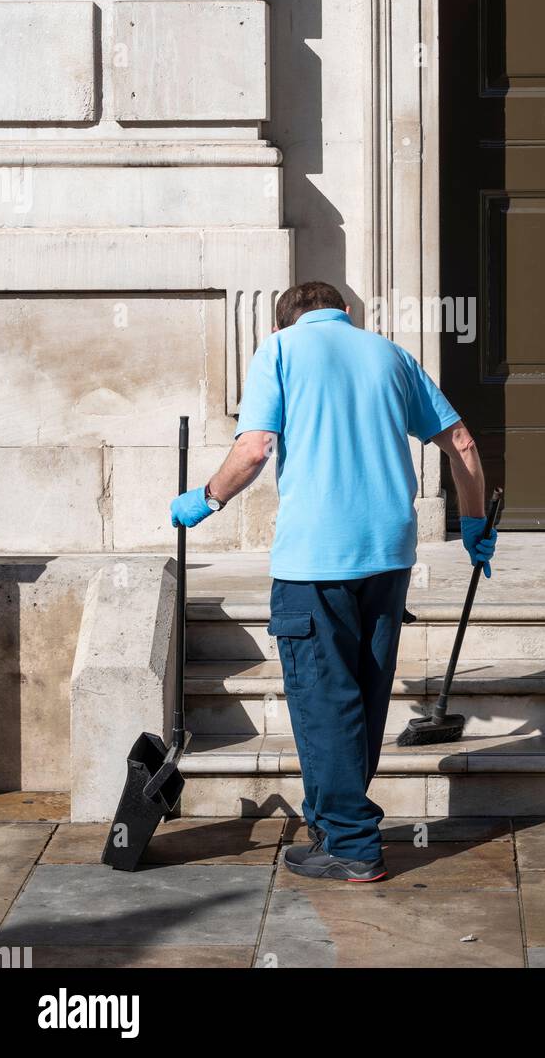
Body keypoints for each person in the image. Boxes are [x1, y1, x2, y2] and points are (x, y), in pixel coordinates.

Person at [171, 281, 498, 882]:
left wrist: (206, 498)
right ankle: (332, 826)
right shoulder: (392, 355)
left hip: (314, 560)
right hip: (388, 553)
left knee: (323, 699)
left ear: (286, 319)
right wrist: (474, 521)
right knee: (364, 695)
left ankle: (350, 844)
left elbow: (255, 447)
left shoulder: (279, 349)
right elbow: (462, 442)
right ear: (346, 314)